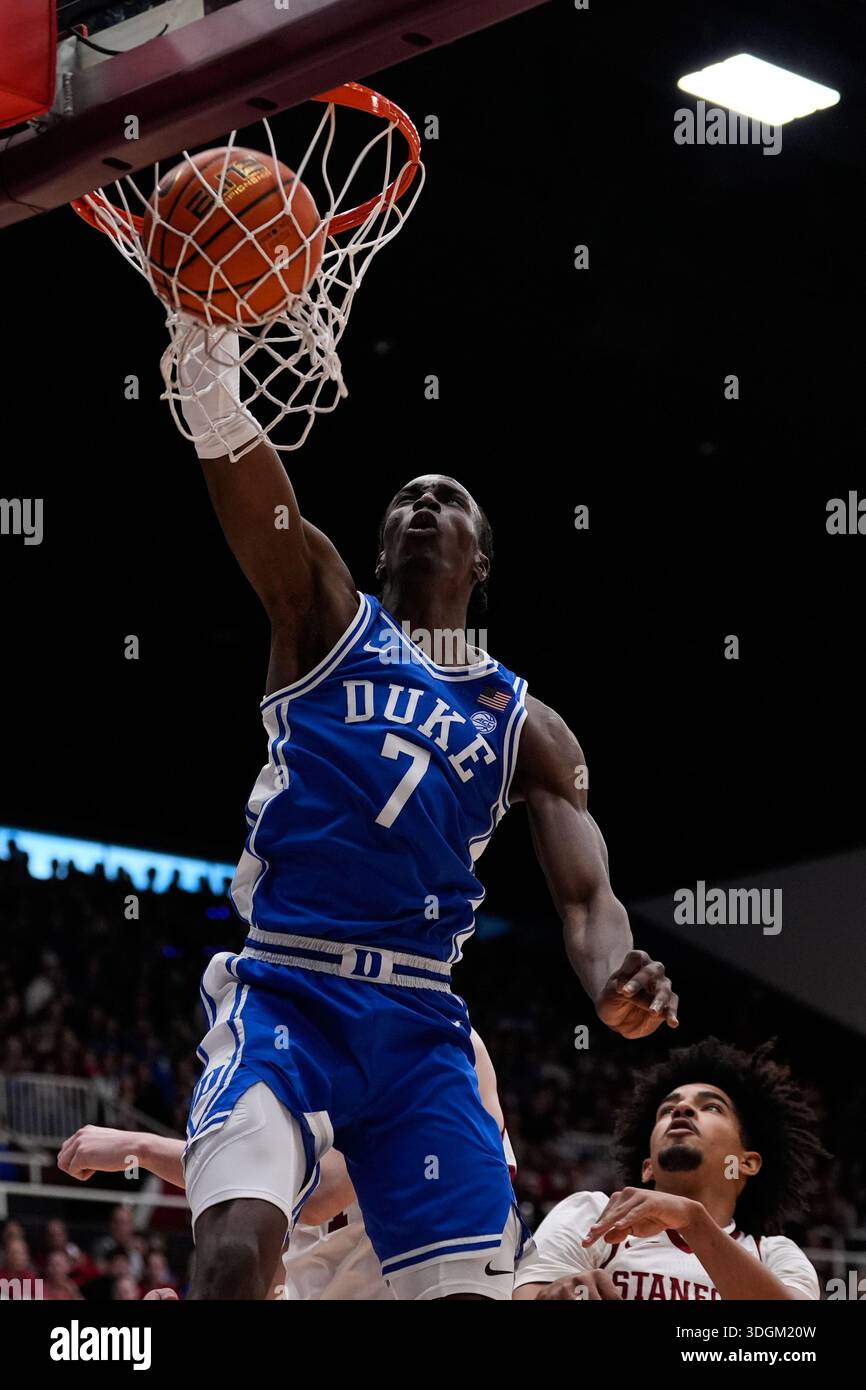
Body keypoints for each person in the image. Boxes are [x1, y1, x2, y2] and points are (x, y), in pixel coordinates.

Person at [172, 338, 680, 1301]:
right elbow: (253, 490)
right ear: (378, 548)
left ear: (479, 559)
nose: (422, 505)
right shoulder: (325, 616)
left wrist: (613, 981)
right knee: (237, 1255)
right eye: (407, 497)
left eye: (446, 498)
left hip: (418, 1019)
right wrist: (206, 371)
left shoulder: (528, 726)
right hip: (288, 983)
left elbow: (587, 900)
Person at [59, 1030, 517, 1300]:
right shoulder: (296, 1040)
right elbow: (291, 1246)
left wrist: (140, 1146)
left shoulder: (436, 1038)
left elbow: (316, 1197)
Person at [513, 1038, 822, 1300]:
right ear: (648, 1167)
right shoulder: (594, 1214)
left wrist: (691, 1219)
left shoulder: (775, 1255)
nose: (681, 1109)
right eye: (666, 1110)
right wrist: (552, 1294)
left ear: (747, 1162)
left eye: (711, 1107)